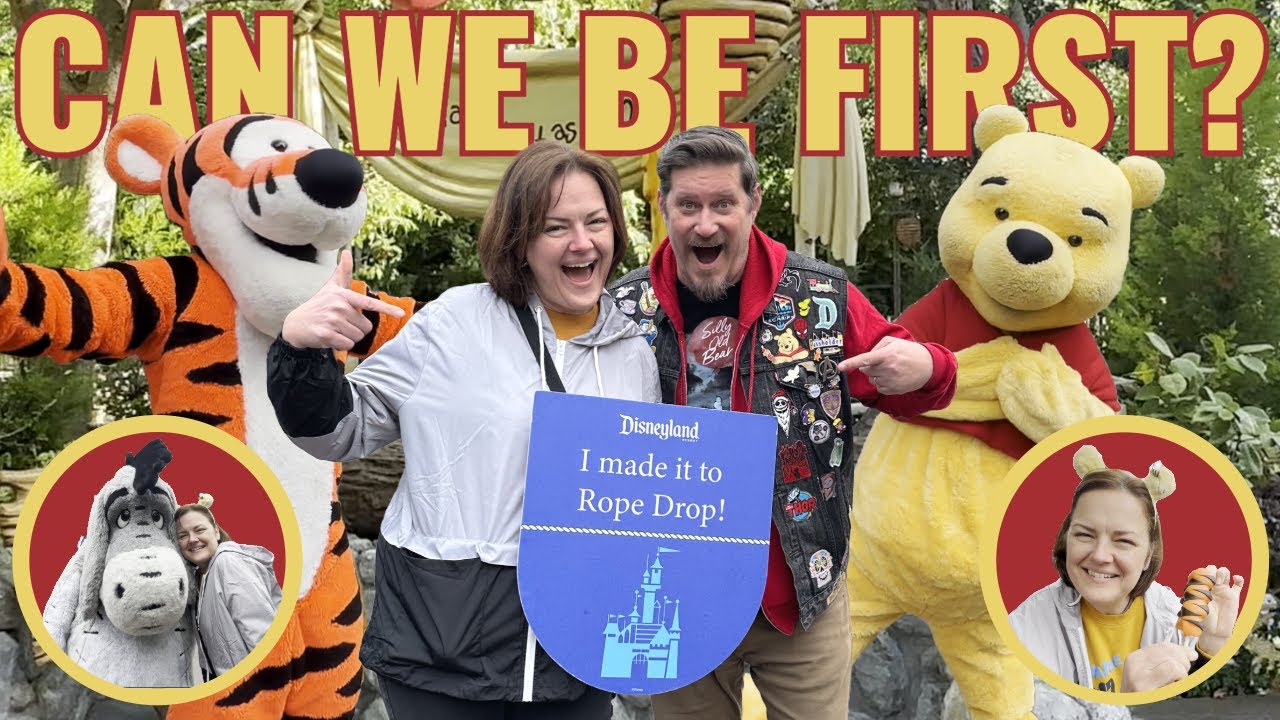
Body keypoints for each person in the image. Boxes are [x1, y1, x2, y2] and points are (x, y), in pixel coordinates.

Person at [264, 140, 661, 719]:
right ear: (519, 241)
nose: (582, 242)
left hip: (575, 653)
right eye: (556, 227)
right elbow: (336, 432)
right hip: (443, 649)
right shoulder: (454, 322)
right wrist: (302, 349)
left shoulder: (634, 353)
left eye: (596, 222)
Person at [607, 126, 958, 720]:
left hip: (798, 597)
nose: (705, 224)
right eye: (688, 205)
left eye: (723, 204)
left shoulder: (821, 297)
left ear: (753, 204)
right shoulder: (621, 312)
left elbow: (911, 384)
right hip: (676, 599)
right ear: (663, 207)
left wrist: (929, 365)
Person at [1008, 468, 1245, 693]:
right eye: (1084, 535)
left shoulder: (1174, 617)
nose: (1100, 555)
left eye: (1124, 541)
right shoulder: (1020, 631)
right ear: (1066, 539)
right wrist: (1129, 698)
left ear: (1148, 556)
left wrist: (1210, 647)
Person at [175, 493, 284, 681]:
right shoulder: (199, 577)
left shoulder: (228, 563)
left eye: (199, 530)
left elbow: (262, 634)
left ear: (216, 531)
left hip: (254, 684)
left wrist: (270, 685)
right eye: (183, 535)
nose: (192, 539)